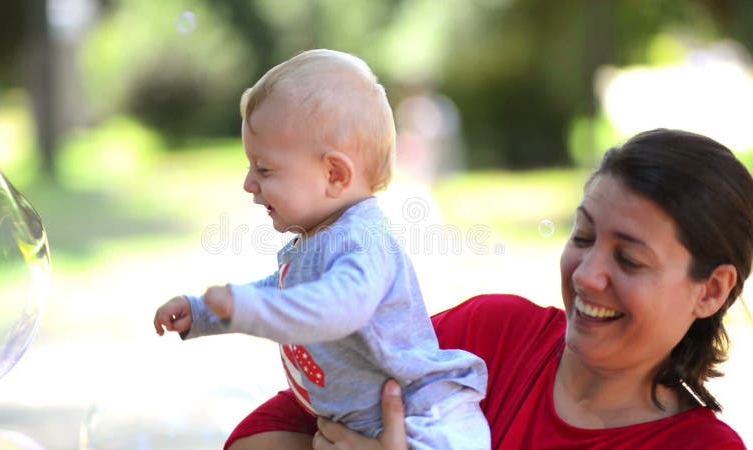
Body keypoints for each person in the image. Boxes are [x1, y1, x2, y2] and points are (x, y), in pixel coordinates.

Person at [232, 128, 752, 450]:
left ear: (711, 291)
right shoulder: (487, 336)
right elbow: (262, 430)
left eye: (631, 259)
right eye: (584, 236)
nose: (587, 274)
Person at [152, 49, 491, 450]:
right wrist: (204, 313)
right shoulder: (319, 237)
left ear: (334, 174)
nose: (248, 183)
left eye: (264, 169)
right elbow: (284, 290)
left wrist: (245, 308)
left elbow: (335, 308)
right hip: (362, 423)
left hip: (425, 418)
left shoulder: (363, 240)